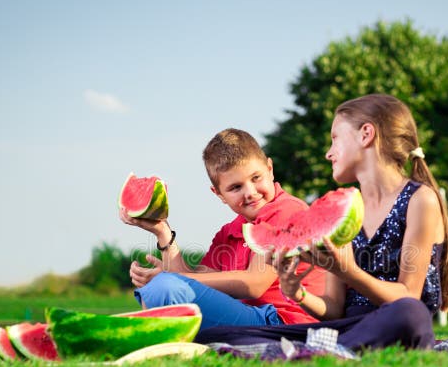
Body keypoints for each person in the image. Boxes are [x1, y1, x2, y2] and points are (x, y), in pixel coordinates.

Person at [195, 94, 448, 350]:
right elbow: (333, 310)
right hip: (347, 328)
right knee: (223, 333)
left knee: (409, 313)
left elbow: (408, 295)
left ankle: (317, 347)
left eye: (335, 139)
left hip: (398, 319)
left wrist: (348, 271)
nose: (328, 153)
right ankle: (328, 345)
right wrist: (298, 294)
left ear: (366, 134)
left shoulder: (421, 199)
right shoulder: (346, 210)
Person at [120, 128, 324, 330]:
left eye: (256, 178)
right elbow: (195, 284)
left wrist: (172, 279)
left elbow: (255, 284)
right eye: (236, 187)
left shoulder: (289, 210)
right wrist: (162, 231)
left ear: (270, 169)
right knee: (164, 288)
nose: (250, 193)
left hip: (284, 321)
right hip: (252, 318)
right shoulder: (229, 232)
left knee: (165, 287)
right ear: (218, 194)